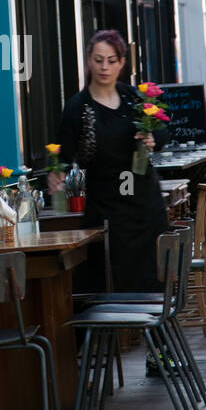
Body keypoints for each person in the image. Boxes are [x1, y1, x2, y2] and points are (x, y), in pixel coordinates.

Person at [49, 29, 169, 293]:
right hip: (107, 210)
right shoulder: (77, 107)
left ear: (122, 63)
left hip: (145, 204)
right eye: (98, 59)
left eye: (111, 60)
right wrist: (55, 173)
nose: (104, 67)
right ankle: (120, 332)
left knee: (152, 277)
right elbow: (62, 155)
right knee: (111, 279)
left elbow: (163, 130)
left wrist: (153, 138)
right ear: (89, 61)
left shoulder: (133, 98)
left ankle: (150, 330)